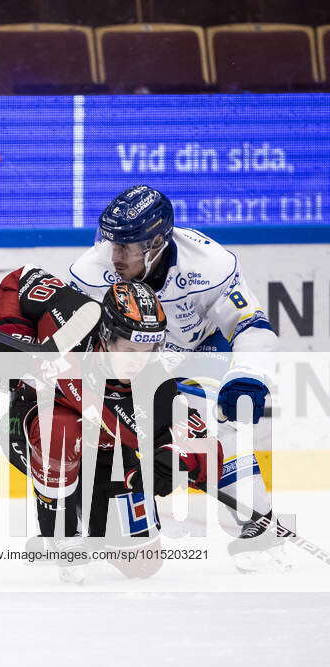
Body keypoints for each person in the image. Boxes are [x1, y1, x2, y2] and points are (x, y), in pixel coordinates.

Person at [68, 185, 285, 570]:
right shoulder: (90, 271)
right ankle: (108, 519)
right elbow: (69, 337)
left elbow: (251, 324)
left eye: (127, 246)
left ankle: (259, 529)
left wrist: (248, 375)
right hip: (134, 365)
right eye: (112, 242)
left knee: (222, 421)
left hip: (198, 354)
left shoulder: (209, 265)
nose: (115, 255)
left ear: (155, 243)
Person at [0, 268, 222, 581]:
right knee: (59, 432)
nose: (138, 361)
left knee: (142, 565)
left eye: (150, 350)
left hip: (105, 457)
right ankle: (62, 536)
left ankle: (88, 512)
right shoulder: (73, 317)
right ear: (104, 335)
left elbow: (206, 446)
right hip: (32, 427)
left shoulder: (155, 389)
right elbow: (19, 279)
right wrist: (12, 329)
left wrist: (174, 462)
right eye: (129, 350)